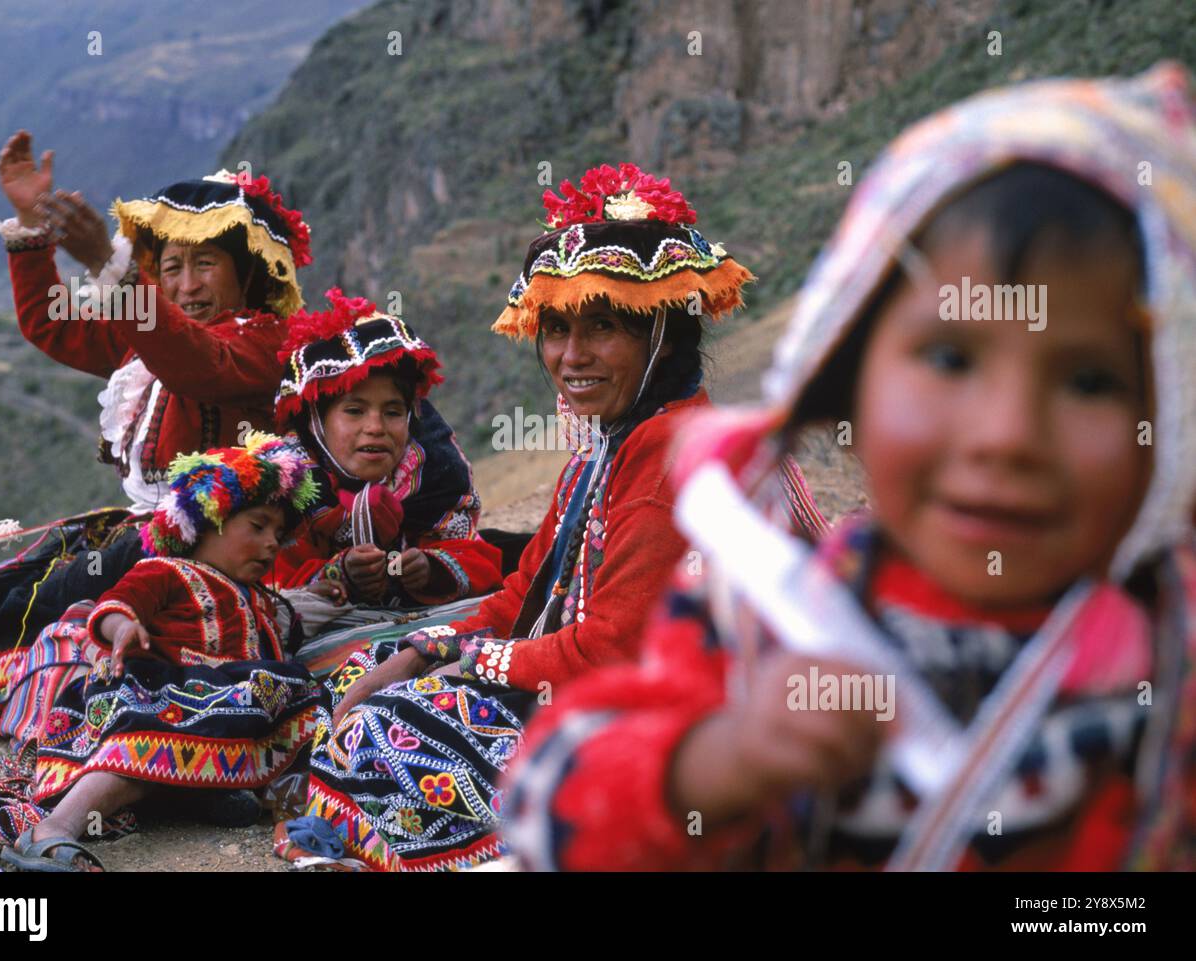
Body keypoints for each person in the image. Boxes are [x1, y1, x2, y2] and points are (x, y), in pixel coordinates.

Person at [501, 63, 1196, 871]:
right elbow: (544, 805)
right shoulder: (759, 619)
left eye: (1089, 380)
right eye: (950, 358)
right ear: (847, 381)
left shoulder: (1172, 656)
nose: (1008, 435)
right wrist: (714, 762)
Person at [295, 164, 826, 870]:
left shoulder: (669, 460)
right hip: (606, 689)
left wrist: (465, 658)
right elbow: (526, 595)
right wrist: (424, 650)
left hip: (696, 732)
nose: (569, 357)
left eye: (601, 328)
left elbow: (607, 650)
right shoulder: (607, 445)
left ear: (661, 336)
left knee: (384, 731)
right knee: (362, 674)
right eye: (555, 328)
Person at [0, 130, 313, 707]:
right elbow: (54, 325)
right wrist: (33, 230)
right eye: (171, 267)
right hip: (136, 532)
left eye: (205, 264)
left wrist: (105, 263)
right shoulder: (149, 335)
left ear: (247, 276)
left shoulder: (261, 344)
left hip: (202, 547)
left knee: (21, 608)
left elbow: (196, 365)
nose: (185, 285)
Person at [4, 433, 323, 870]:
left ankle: (200, 790)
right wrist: (123, 628)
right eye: (258, 525)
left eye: (279, 532)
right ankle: (56, 828)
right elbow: (116, 604)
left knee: (308, 703)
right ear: (207, 521)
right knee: (140, 750)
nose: (272, 542)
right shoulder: (165, 571)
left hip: (226, 708)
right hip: (160, 694)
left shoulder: (262, 600)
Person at [268, 287, 502, 608]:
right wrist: (341, 573)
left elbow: (478, 558)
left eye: (392, 412)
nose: (376, 428)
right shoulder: (288, 491)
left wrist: (432, 568)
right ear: (316, 423)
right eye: (354, 411)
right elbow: (271, 580)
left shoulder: (434, 477)